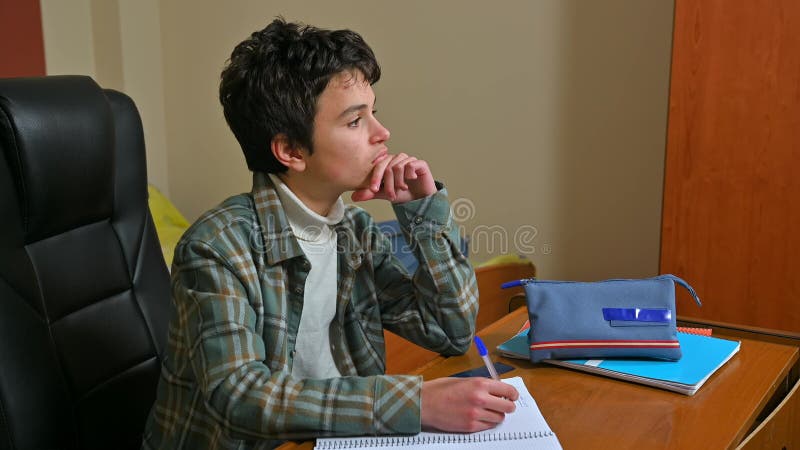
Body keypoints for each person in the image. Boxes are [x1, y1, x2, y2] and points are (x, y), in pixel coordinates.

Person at [142, 18, 518, 449]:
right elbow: (241, 395)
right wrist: (416, 402)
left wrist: (422, 211)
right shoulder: (217, 247)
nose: (383, 133)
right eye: (356, 121)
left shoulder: (353, 232)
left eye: (373, 112)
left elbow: (449, 331)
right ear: (291, 150)